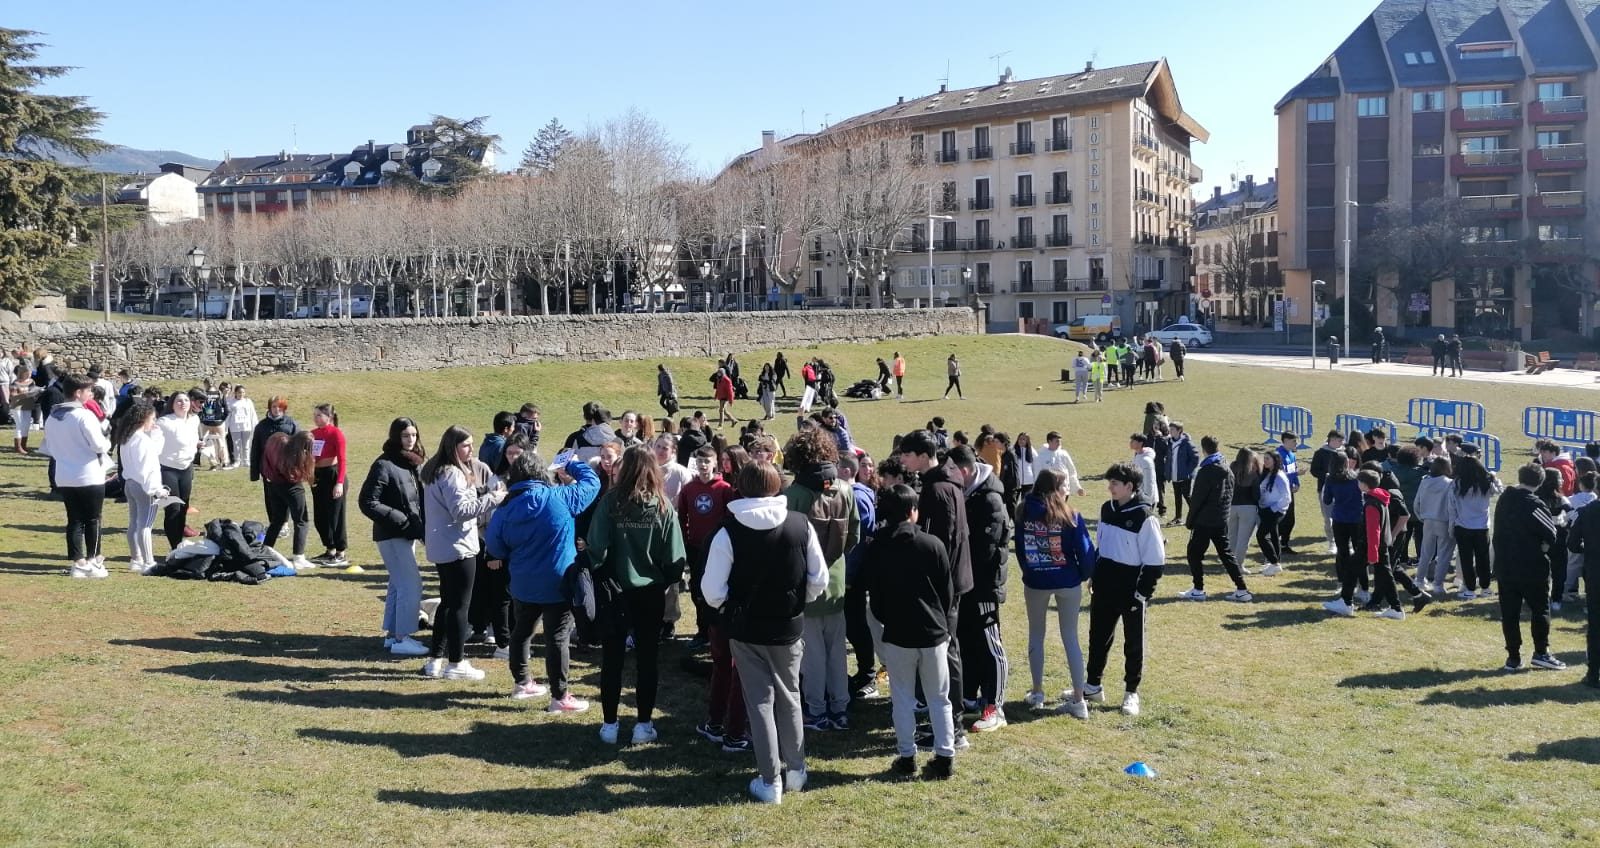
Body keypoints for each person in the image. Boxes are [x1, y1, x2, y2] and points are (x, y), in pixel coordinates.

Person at [702, 461, 829, 804]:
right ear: (778, 486)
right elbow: (819, 579)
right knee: (790, 697)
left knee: (759, 702)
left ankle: (770, 779)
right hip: (788, 626)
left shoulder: (728, 530)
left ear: (741, 487)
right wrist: (798, 601)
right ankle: (797, 770)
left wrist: (731, 605)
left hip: (746, 629)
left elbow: (712, 590)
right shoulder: (800, 525)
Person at [585, 445, 687, 745]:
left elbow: (596, 548)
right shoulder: (663, 506)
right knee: (647, 660)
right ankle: (643, 724)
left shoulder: (610, 502)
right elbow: (675, 558)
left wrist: (604, 572)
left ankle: (609, 724)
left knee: (612, 658)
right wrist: (664, 579)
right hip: (650, 593)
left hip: (615, 591)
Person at [486, 448, 601, 712]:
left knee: (522, 631)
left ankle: (522, 682)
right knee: (557, 638)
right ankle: (559, 696)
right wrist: (571, 465)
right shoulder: (559, 497)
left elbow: (495, 546)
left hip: (523, 583)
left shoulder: (505, 508)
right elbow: (592, 483)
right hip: (558, 583)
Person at [864, 483, 956, 780]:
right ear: (912, 512)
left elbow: (875, 597)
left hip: (898, 633)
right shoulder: (932, 544)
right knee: (939, 698)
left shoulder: (877, 546)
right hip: (933, 632)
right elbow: (947, 592)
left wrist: (888, 618)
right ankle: (944, 755)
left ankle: (907, 756)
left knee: (902, 698)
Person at [897, 429, 973, 749]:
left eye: (907, 453)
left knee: (946, 654)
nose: (902, 458)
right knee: (947, 652)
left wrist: (933, 586)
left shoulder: (938, 490)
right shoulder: (941, 482)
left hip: (944, 586)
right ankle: (947, 723)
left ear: (924, 455)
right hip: (952, 581)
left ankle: (952, 728)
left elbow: (940, 545)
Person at [783, 429, 859, 731]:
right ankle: (840, 706)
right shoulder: (844, 488)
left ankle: (816, 709)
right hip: (837, 580)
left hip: (806, 583)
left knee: (812, 654)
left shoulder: (794, 495)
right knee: (836, 650)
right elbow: (854, 535)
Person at [419, 425, 506, 682]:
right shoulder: (452, 474)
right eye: (466, 445)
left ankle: (435, 659)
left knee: (447, 604)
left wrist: (480, 493)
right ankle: (456, 662)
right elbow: (461, 511)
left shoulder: (437, 471)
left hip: (444, 545)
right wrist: (494, 498)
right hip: (458, 547)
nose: (471, 449)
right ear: (452, 447)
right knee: (459, 607)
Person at [1084, 462, 1165, 716]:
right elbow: (1101, 546)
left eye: (1115, 484)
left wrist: (1141, 593)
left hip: (1130, 590)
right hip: (1104, 586)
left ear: (1130, 486)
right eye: (1110, 483)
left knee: (1133, 642)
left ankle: (1131, 692)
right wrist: (1094, 576)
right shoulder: (1106, 509)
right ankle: (1093, 685)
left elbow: (1155, 560)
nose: (1110, 488)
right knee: (1098, 637)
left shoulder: (1145, 516)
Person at [1014, 467, 1094, 718]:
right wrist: (1082, 576)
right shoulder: (1070, 515)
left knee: (1036, 634)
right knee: (1070, 636)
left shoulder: (1023, 510)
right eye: (1065, 486)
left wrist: (1029, 571)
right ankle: (1079, 699)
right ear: (1056, 489)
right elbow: (1086, 551)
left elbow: (1019, 547)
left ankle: (1037, 691)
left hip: (1036, 581)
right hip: (1068, 580)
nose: (1067, 491)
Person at [680, 446, 746, 745]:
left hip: (722, 551)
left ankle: (727, 721)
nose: (705, 466)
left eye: (710, 461)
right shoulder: (689, 488)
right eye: (701, 461)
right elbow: (682, 517)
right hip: (697, 549)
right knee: (699, 593)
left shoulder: (725, 490)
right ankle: (702, 630)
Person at [947, 445, 1011, 732]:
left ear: (965, 469)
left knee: (989, 644)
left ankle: (994, 706)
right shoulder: (966, 493)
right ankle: (970, 696)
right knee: (967, 642)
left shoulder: (990, 499)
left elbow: (986, 551)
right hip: (965, 584)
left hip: (984, 586)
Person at [360, 417, 430, 656]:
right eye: (405, 436)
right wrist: (401, 520)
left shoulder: (413, 464)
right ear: (395, 437)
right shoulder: (384, 464)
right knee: (411, 585)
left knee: (398, 585)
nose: (410, 440)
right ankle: (403, 637)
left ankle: (393, 635)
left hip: (407, 534)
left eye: (413, 435)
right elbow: (368, 502)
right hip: (392, 534)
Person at [1494, 463, 1566, 672]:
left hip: (1505, 565)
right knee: (1540, 609)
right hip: (1531, 567)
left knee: (1510, 613)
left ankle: (1513, 657)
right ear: (1540, 482)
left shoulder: (1505, 498)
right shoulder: (1534, 504)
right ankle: (1541, 652)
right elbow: (1551, 534)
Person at [44, 374, 111, 578]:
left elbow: (51, 447)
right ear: (78, 393)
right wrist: (107, 438)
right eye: (89, 391)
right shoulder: (84, 415)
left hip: (65, 474)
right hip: (88, 474)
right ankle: (94, 559)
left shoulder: (53, 416)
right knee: (93, 519)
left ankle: (78, 562)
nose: (91, 395)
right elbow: (99, 444)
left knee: (74, 519)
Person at [1180, 436, 1252, 602]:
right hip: (1221, 519)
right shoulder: (1226, 466)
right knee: (1226, 555)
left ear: (1204, 449)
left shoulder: (1206, 471)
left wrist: (1190, 521)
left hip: (1204, 521)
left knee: (1194, 554)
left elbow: (1197, 499)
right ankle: (1242, 589)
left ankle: (1198, 589)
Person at [838, 453, 880, 698]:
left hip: (853, 575)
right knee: (851, 625)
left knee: (856, 626)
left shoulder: (856, 497)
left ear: (845, 471)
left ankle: (868, 675)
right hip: (849, 573)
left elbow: (857, 542)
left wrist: (849, 576)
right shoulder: (857, 494)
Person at [113, 398, 166, 574]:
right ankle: (148, 562)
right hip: (144, 486)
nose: (154, 423)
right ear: (144, 419)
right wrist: (157, 490)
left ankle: (136, 558)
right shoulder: (142, 440)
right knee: (145, 525)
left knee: (134, 523)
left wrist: (156, 436)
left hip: (129, 483)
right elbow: (148, 467)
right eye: (152, 419)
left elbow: (151, 453)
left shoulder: (127, 437)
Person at [1323, 447, 1370, 616]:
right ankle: (1364, 588)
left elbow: (1327, 500)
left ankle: (1343, 583)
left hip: (1339, 519)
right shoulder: (1356, 477)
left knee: (1342, 552)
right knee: (1360, 554)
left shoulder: (1330, 479)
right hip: (1357, 519)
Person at [1450, 454, 1503, 600]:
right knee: (1483, 558)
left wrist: (1451, 525)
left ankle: (1470, 589)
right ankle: (1485, 588)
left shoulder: (1457, 484)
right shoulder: (1485, 484)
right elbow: (1500, 490)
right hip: (1481, 527)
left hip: (1462, 525)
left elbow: (1452, 506)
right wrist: (1494, 478)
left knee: (1466, 559)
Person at [261, 430, 316, 571]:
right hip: (292, 487)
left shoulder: (277, 439)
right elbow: (294, 475)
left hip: (273, 484)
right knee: (301, 521)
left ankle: (266, 549)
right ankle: (299, 556)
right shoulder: (292, 454)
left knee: (277, 520)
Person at [1356, 469, 1406, 620]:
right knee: (1386, 575)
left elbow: (1374, 530)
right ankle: (1395, 607)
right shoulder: (1379, 497)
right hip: (1383, 544)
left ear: (1364, 485)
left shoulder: (1372, 503)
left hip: (1379, 546)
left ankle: (1396, 608)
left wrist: (1372, 553)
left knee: (1385, 575)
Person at [1566, 476, 1600, 687]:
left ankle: (1593, 672)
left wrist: (1587, 551)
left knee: (1596, 625)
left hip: (1595, 571)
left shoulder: (1587, 511)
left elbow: (1572, 543)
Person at [155, 391, 200, 550]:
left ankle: (180, 543)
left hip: (186, 467)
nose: (183, 404)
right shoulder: (164, 422)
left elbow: (192, 440)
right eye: (178, 401)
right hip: (167, 469)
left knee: (183, 507)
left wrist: (198, 445)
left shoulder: (194, 420)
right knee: (173, 508)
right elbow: (154, 444)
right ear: (172, 404)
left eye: (186, 400)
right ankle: (174, 547)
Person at [309, 404, 349, 567]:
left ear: (329, 417)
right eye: (315, 415)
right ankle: (329, 548)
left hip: (333, 475)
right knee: (320, 516)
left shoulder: (336, 433)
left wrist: (339, 483)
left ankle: (341, 552)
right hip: (318, 477)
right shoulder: (312, 434)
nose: (316, 418)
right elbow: (309, 457)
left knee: (335, 516)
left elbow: (342, 460)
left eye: (319, 415)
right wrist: (309, 475)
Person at [1413, 457, 1457, 595]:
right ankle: (1438, 584)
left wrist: (1422, 516)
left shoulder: (1424, 481)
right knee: (1444, 554)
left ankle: (1419, 580)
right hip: (1444, 520)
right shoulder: (1450, 484)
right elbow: (1452, 505)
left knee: (1426, 552)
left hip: (1428, 520)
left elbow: (1417, 502)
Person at [1562, 472, 1597, 602]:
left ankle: (1569, 590)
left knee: (1572, 564)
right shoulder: (1595, 498)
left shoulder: (1572, 499)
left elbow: (1566, 517)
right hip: (1593, 538)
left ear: (1581, 484)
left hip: (1575, 535)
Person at [1310, 430, 1346, 555]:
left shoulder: (1344, 452)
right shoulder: (1320, 453)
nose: (1342, 443)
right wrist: (1325, 475)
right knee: (1328, 517)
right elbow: (1314, 470)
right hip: (1325, 489)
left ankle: (1346, 543)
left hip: (1343, 489)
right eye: (1339, 440)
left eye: (1342, 440)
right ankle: (1332, 542)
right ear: (1331, 439)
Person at [1257, 448, 1292, 577]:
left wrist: (1273, 509)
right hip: (1266, 509)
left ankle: (1274, 563)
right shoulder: (1267, 474)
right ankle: (1274, 562)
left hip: (1274, 511)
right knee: (1273, 534)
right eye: (1264, 458)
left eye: (1268, 459)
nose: (1265, 461)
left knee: (1261, 536)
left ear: (1275, 460)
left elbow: (1287, 497)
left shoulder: (1279, 476)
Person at [1166, 422, 1199, 526]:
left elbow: (1195, 458)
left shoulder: (1187, 443)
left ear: (1179, 430)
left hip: (1185, 476)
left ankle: (1196, 516)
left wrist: (1187, 471)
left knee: (1187, 495)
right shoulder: (1170, 442)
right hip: (1175, 475)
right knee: (1177, 497)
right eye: (1170, 429)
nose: (1170, 432)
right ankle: (1178, 517)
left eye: (1172, 430)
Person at [1032, 431, 1084, 496]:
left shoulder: (1064, 454)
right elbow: (1037, 474)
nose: (1059, 443)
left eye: (1060, 441)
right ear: (1049, 441)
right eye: (1057, 441)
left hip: (1063, 490)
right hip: (1048, 492)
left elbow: (1072, 472)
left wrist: (1077, 488)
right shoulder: (1041, 456)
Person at [1275, 433, 1302, 554]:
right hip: (1280, 492)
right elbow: (1279, 474)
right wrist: (1296, 474)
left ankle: (1284, 544)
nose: (1296, 444)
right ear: (1285, 441)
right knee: (1281, 519)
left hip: (1290, 491)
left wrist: (1297, 483)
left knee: (1290, 520)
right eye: (1293, 441)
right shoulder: (1278, 455)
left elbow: (1293, 470)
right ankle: (1276, 543)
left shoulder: (1291, 455)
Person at [197, 382, 230, 470]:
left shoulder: (203, 396)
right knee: (220, 442)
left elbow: (199, 409)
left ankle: (215, 463)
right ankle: (223, 462)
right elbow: (226, 410)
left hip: (208, 423)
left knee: (209, 442)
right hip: (215, 422)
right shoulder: (220, 396)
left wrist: (202, 419)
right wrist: (222, 419)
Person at [225, 385, 257, 471]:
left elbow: (252, 414)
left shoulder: (248, 401)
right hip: (235, 426)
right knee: (236, 445)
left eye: (243, 392)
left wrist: (255, 425)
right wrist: (225, 427)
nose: (241, 394)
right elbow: (228, 415)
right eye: (239, 392)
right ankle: (237, 461)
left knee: (246, 444)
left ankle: (246, 461)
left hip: (246, 426)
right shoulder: (231, 402)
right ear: (235, 393)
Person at [10, 364, 39, 453]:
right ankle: (18, 447)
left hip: (27, 405)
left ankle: (23, 445)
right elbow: (13, 396)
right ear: (22, 373)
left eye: (30, 373)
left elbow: (33, 390)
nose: (29, 375)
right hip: (17, 406)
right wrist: (24, 394)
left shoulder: (31, 382)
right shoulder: (15, 382)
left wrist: (37, 392)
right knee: (20, 425)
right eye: (27, 373)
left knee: (26, 425)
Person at [1130, 433, 1159, 508]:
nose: (1130, 442)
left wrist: (1146, 499)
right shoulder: (1137, 456)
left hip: (1147, 500)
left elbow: (1150, 481)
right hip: (1139, 497)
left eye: (1133, 441)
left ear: (1140, 443)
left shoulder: (1146, 461)